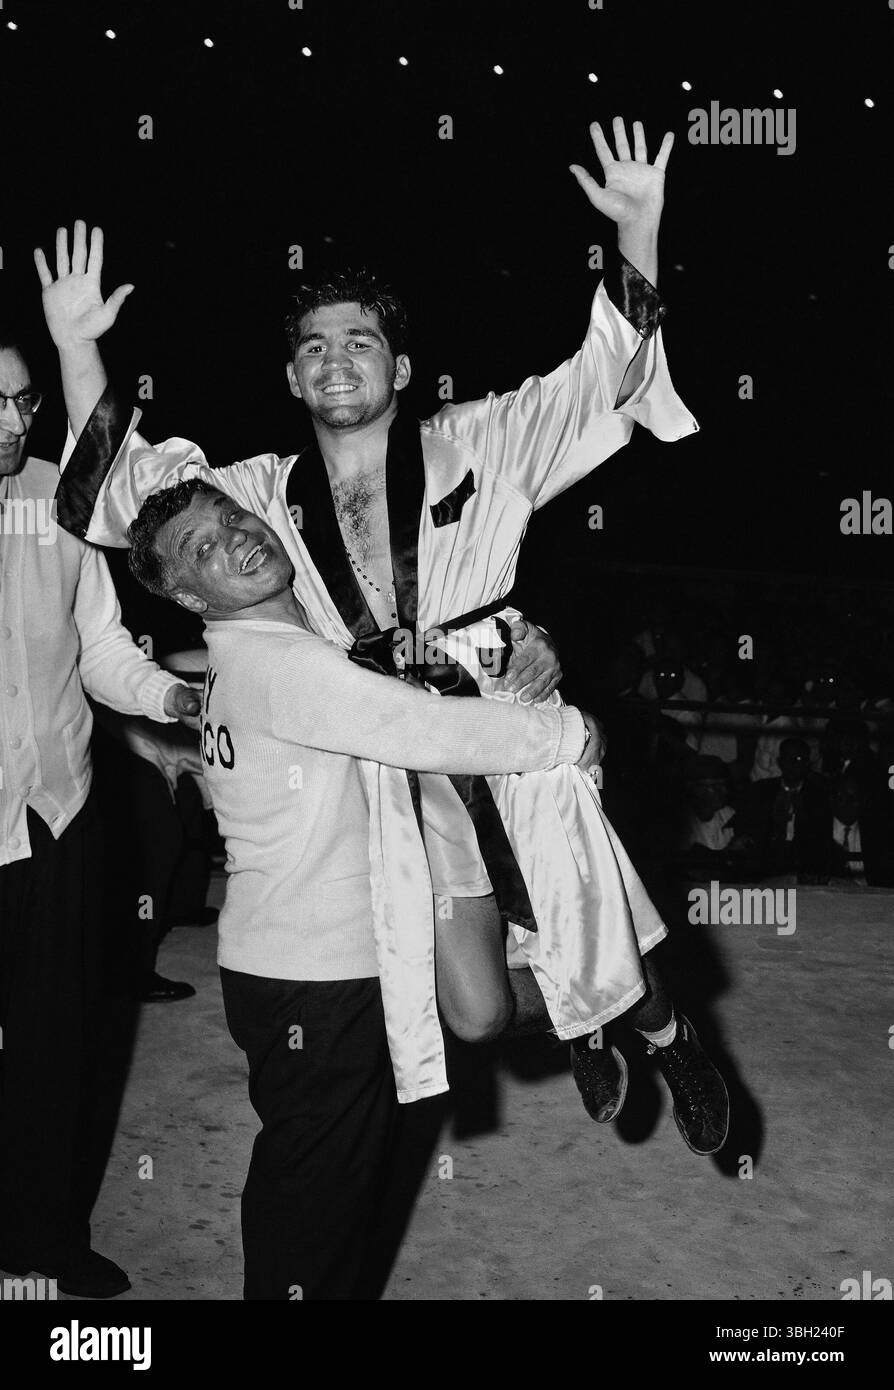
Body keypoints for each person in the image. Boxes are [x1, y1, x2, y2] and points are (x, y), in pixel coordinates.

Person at [39, 118, 728, 1154]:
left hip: (502, 706)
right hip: (389, 758)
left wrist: (639, 227)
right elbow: (127, 500)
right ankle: (577, 1014)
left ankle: (666, 1033)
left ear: (402, 368)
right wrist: (78, 348)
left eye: (359, 340)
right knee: (474, 1013)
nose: (336, 359)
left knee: (597, 918)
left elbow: (604, 379)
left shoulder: (482, 439)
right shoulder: (257, 497)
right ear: (290, 381)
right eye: (313, 347)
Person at [125, 477, 599, 1299]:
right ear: (185, 593)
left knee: (329, 1196)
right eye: (204, 548)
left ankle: (595, 1012)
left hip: (298, 967)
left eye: (232, 516)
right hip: (317, 979)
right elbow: (428, 729)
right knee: (314, 1212)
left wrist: (521, 639)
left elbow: (418, 654)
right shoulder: (285, 667)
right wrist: (570, 732)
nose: (236, 536)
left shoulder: (275, 650)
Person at [0, 328, 199, 1299]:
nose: (11, 423)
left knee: (55, 1047)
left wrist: (170, 699)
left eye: (25, 401)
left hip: (57, 818)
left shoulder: (56, 500)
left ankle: (47, 1233)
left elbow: (102, 644)